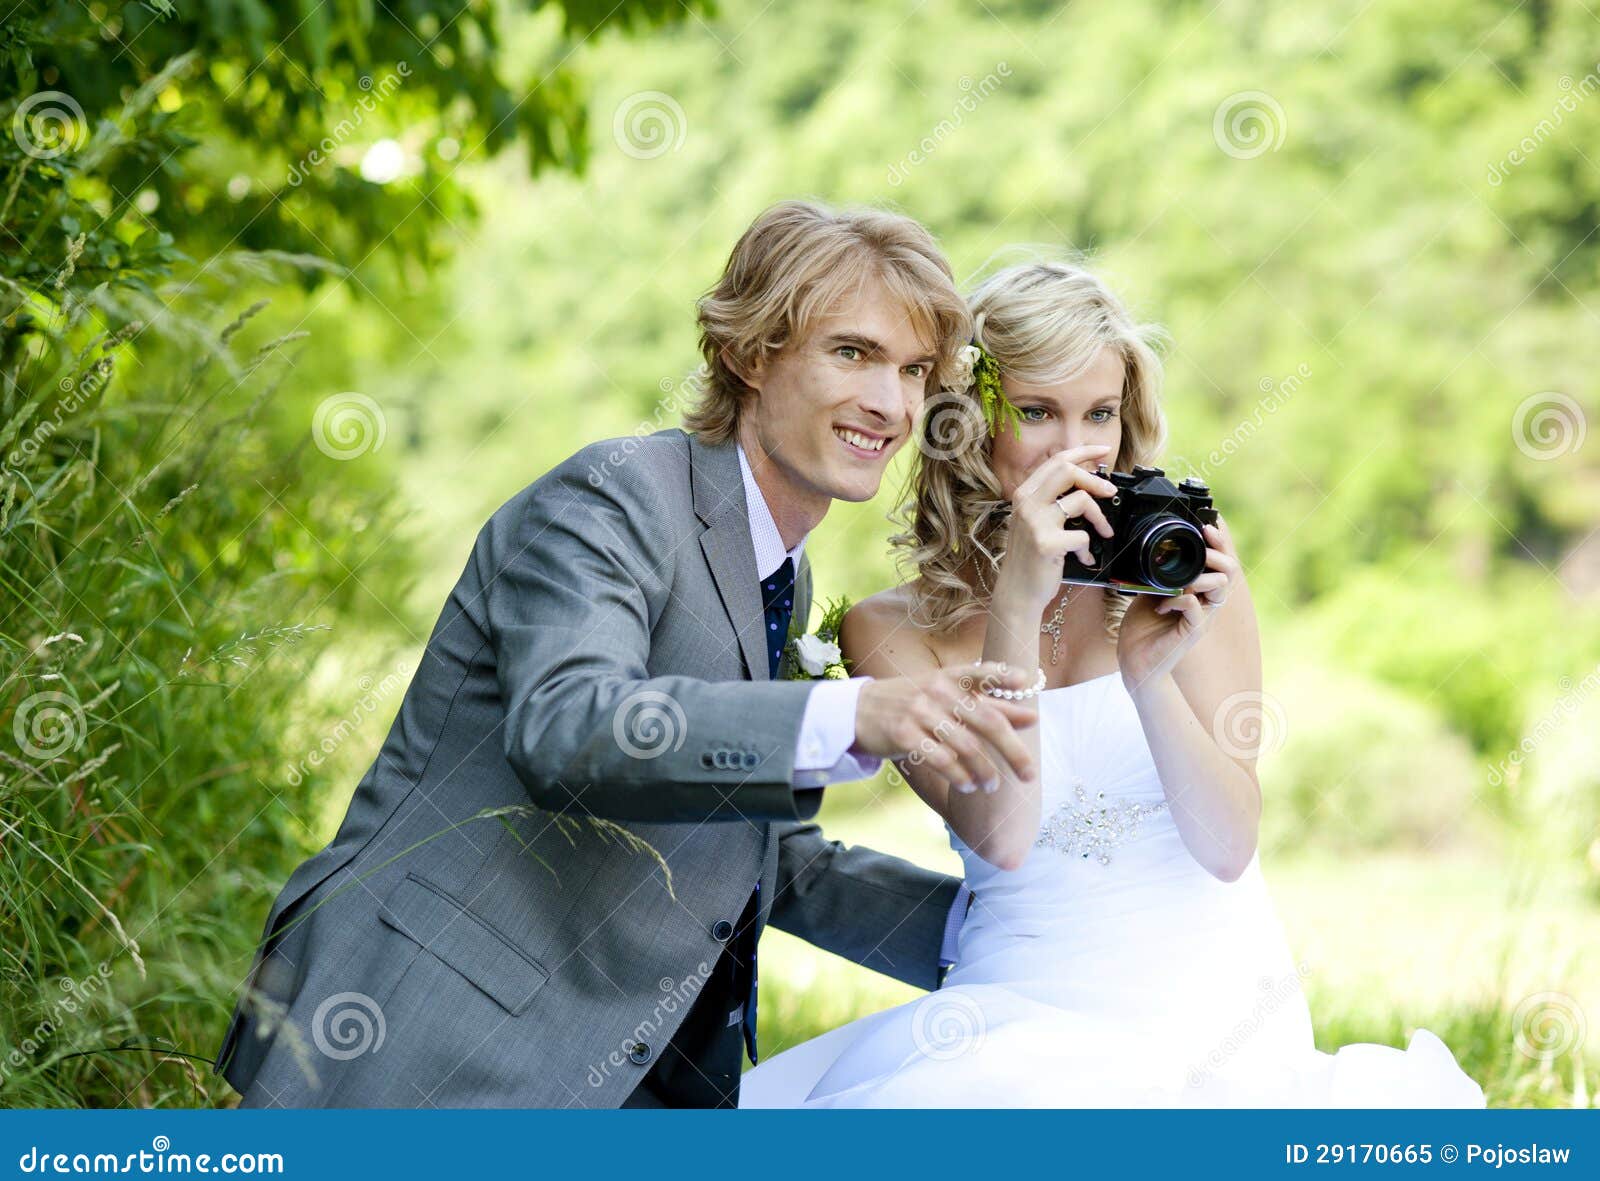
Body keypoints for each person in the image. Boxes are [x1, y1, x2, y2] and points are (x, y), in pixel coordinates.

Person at [213, 201, 1038, 1108]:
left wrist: (1002, 934)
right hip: (429, 1039)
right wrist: (849, 712)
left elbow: (761, 856)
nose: (891, 404)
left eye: (914, 370)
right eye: (853, 353)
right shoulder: (612, 499)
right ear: (750, 351)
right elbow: (568, 729)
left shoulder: (783, 583)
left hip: (625, 1082)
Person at [737, 257, 1486, 1107]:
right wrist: (1018, 600)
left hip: (1215, 1013)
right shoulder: (889, 630)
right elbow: (1005, 833)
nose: (1077, 449)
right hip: (1009, 1014)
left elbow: (1228, 846)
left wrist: (1150, 679)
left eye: (1100, 414)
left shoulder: (1179, 567)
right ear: (967, 425)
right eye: (1036, 413)